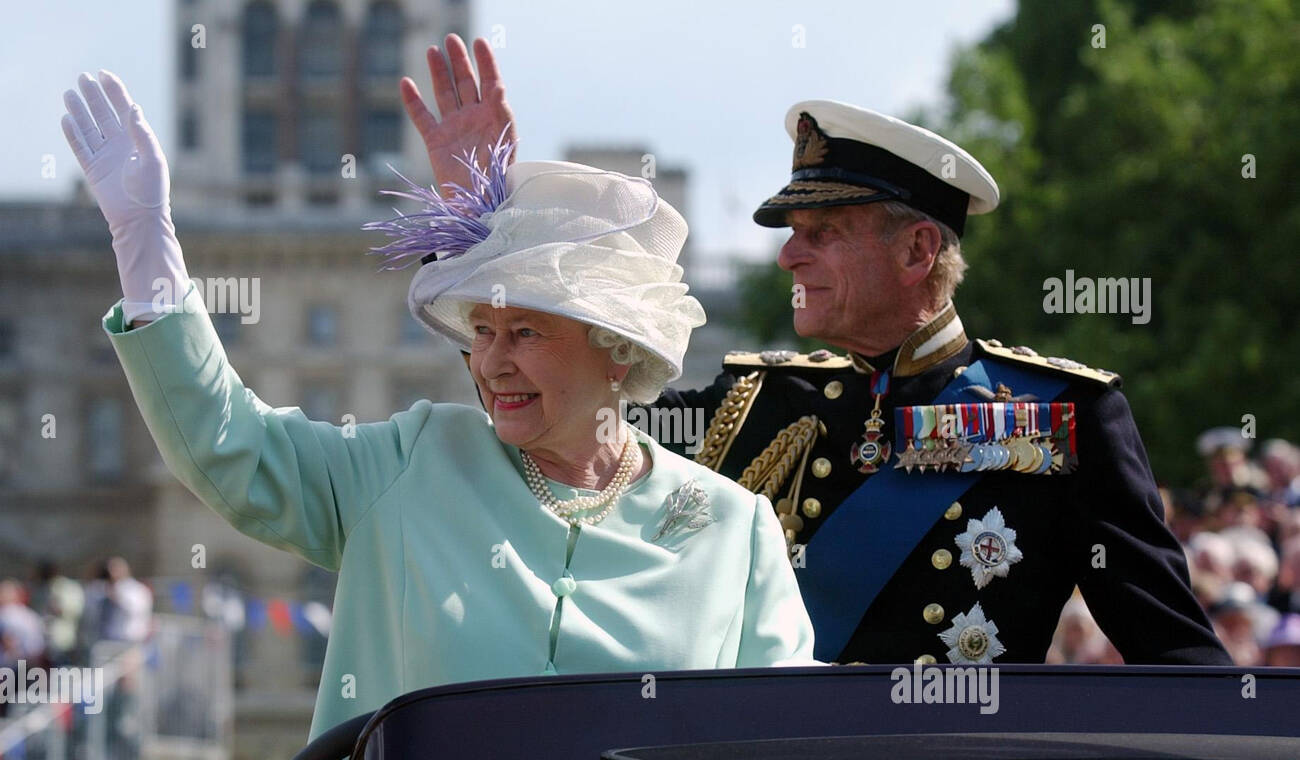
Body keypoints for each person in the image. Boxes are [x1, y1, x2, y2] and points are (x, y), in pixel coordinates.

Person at [62, 70, 815, 760]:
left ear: (617, 353)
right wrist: (145, 242)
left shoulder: (734, 531)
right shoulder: (410, 462)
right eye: (482, 332)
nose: (492, 363)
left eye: (526, 333)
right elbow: (230, 444)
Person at [407, 35, 1230, 667]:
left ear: (916, 253)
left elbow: (1181, 665)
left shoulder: (1061, 417)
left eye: (822, 234)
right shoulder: (753, 405)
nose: (788, 258)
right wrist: (475, 231)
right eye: (792, 234)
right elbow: (551, 412)